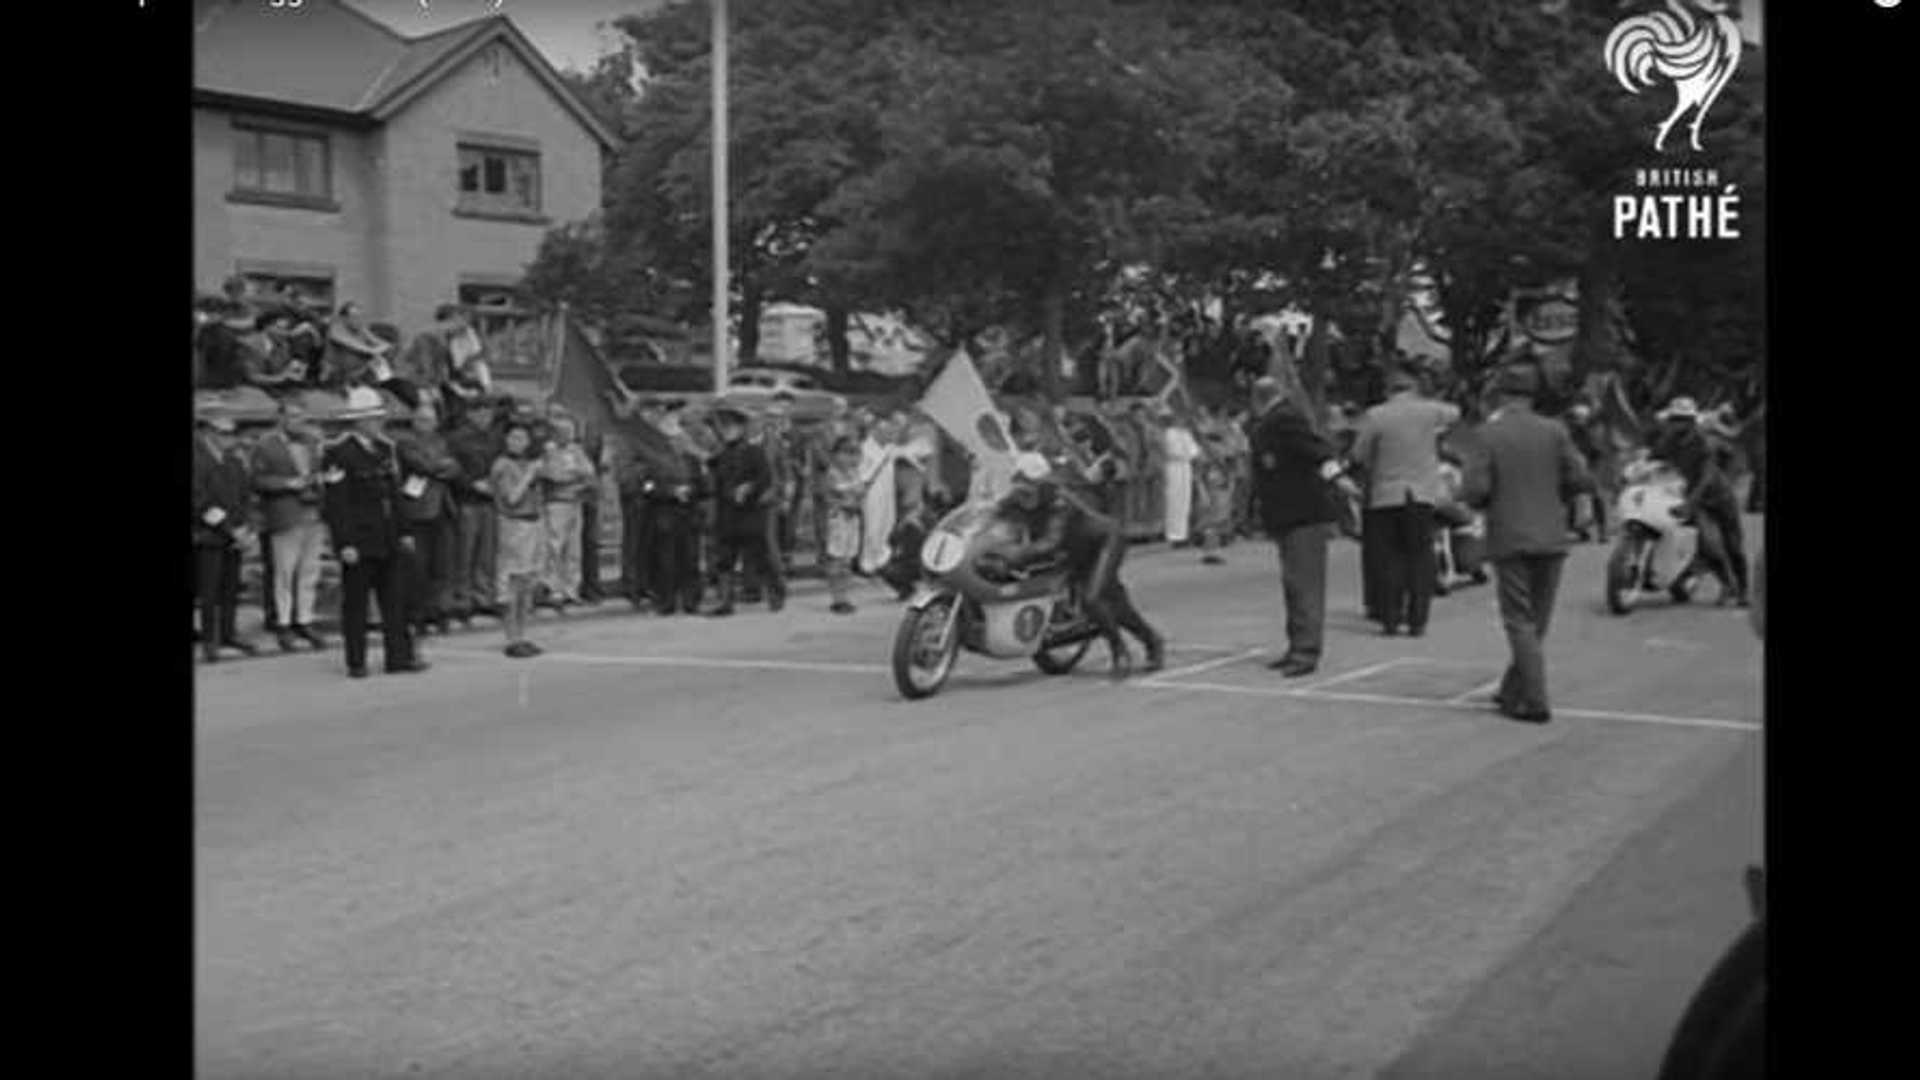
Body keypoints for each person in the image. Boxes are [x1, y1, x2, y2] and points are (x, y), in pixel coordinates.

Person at [1460, 364, 1593, 724]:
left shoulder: (1488, 435)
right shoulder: (1555, 431)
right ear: (1533, 395)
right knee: (1538, 620)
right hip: (1552, 534)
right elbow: (1580, 476)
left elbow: (1475, 489)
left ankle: (1534, 698)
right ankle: (1512, 687)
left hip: (1510, 534)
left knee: (1519, 620)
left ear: (1500, 394)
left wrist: (1480, 504)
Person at [989, 453, 1165, 679]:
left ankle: (1119, 651)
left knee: (1093, 598)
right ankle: (1152, 640)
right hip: (1072, 549)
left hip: (1104, 543)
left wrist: (1013, 555)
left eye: (1030, 483)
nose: (1024, 489)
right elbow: (991, 515)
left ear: (1043, 483)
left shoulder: (1060, 503)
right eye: (1021, 482)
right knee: (1117, 604)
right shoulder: (1014, 499)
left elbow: (1050, 543)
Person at [1247, 376, 1358, 677]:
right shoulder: (1274, 420)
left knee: (1304, 584)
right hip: (1286, 514)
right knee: (1294, 584)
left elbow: (1318, 451)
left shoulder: (1285, 420)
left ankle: (1306, 650)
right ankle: (1297, 644)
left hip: (1302, 513)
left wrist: (1339, 480)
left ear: (1258, 397)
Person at [320, 387, 427, 678]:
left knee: (394, 600)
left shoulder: (385, 450)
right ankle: (356, 660)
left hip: (387, 535)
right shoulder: (339, 453)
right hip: (359, 538)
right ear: (358, 422)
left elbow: (394, 495)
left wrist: (404, 530)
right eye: (372, 419)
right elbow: (336, 503)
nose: (378, 423)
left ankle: (398, 657)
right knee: (356, 603)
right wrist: (344, 542)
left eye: (379, 418)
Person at [1350, 368, 1461, 637]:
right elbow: (1455, 413)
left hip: (1385, 495)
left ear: (1388, 390)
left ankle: (1390, 617)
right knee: (1420, 557)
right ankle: (1418, 619)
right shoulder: (1429, 411)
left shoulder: (1376, 416)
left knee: (1388, 558)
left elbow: (1359, 454)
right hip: (1421, 493)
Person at [1648, 397, 1749, 605]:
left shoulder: (1705, 442)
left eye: (1684, 419)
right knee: (1708, 545)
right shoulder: (1668, 441)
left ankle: (1744, 590)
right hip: (1694, 498)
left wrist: (1690, 503)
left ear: (1692, 421)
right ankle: (1727, 584)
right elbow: (1653, 459)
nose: (1679, 424)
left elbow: (1707, 476)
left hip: (1719, 497)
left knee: (1734, 546)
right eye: (1675, 419)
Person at [249, 400, 328, 652]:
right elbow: (257, 479)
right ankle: (283, 621)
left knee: (309, 570)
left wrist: (319, 481)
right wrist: (287, 484)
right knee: (284, 572)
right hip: (284, 513)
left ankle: (305, 619)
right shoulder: (265, 445)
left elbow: (322, 470)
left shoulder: (313, 443)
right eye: (293, 417)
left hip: (313, 513)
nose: (299, 422)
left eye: (302, 417)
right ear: (281, 418)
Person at [194, 409, 260, 661]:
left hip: (235, 534)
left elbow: (245, 497)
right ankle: (210, 638)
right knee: (209, 591)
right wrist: (230, 528)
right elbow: (199, 502)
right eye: (223, 433)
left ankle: (228, 633)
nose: (229, 437)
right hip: (209, 535)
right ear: (209, 432)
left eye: (231, 433)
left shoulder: (234, 461)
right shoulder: (199, 461)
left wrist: (246, 528)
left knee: (230, 588)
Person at [707, 406, 782, 616]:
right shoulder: (721, 454)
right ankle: (725, 602)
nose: (727, 431)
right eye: (724, 427)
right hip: (727, 515)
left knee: (760, 557)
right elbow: (714, 480)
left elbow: (765, 478)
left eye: (731, 427)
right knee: (725, 560)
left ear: (741, 429)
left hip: (749, 514)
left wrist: (749, 488)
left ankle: (775, 593)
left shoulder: (754, 452)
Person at [395, 402, 462, 638]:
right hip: (418, 510)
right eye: (422, 420)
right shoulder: (405, 442)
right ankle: (417, 614)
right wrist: (439, 466)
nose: (428, 425)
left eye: (431, 420)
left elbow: (455, 467)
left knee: (442, 564)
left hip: (443, 508)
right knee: (417, 566)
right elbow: (421, 466)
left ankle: (439, 611)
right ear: (414, 421)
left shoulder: (442, 442)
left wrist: (440, 467)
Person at [490, 423, 547, 658]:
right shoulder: (503, 465)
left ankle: (523, 634)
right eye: (514, 437)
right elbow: (511, 497)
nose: (519, 442)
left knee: (527, 582)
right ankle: (512, 637)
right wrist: (529, 475)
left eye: (523, 437)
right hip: (514, 523)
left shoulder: (526, 464)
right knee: (514, 581)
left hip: (533, 522)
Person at [446, 398, 503, 624]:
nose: (484, 417)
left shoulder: (495, 438)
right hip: (467, 500)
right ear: (470, 414)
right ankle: (463, 599)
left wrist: (495, 484)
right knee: (465, 552)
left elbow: (500, 465)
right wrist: (470, 484)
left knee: (486, 553)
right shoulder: (457, 439)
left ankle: (484, 597)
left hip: (490, 500)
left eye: (488, 413)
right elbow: (453, 468)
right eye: (480, 412)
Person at [538, 412, 598, 611]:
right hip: (556, 503)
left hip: (576, 502)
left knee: (574, 548)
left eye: (570, 431)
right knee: (555, 546)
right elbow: (553, 475)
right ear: (555, 433)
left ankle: (572, 588)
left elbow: (589, 473)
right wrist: (574, 477)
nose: (568, 435)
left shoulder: (577, 450)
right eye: (563, 431)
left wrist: (576, 479)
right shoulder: (548, 451)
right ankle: (553, 588)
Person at [820, 436, 866, 615]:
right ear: (836, 454)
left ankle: (845, 596)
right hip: (837, 520)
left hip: (853, 520)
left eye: (854, 454)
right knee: (836, 559)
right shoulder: (831, 474)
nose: (851, 459)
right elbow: (827, 498)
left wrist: (859, 497)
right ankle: (837, 598)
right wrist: (844, 503)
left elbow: (860, 493)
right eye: (846, 453)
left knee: (847, 560)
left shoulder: (855, 473)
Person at [1161, 409, 1201, 548]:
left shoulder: (1185, 433)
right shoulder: (1169, 433)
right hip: (1174, 466)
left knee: (1185, 500)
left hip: (1185, 466)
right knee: (1174, 500)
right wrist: (1187, 452)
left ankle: (1183, 533)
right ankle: (1174, 535)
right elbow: (1173, 451)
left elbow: (1195, 451)